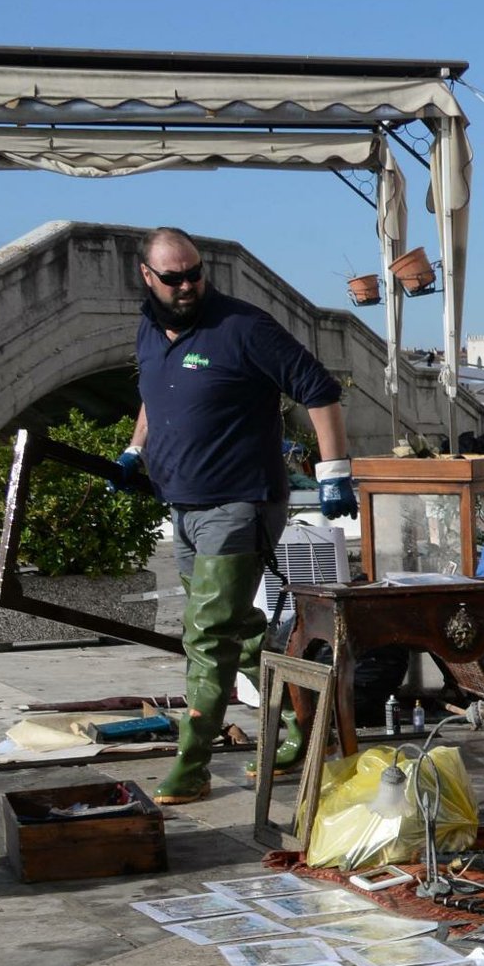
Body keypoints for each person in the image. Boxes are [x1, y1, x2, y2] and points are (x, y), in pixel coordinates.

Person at [122, 227, 351, 803]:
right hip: (182, 503)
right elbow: (155, 391)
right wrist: (134, 449)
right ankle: (307, 727)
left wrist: (334, 473)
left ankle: (192, 764)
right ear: (147, 277)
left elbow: (319, 390)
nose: (187, 285)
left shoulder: (243, 327)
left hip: (240, 501)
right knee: (238, 634)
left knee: (206, 633)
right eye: (172, 277)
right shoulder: (150, 328)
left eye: (195, 273)